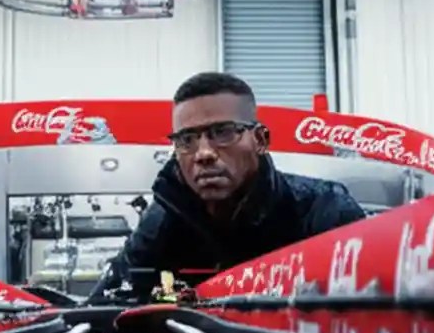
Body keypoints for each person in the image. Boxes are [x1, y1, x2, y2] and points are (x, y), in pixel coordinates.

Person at [88, 72, 367, 303]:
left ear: (260, 139)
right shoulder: (163, 218)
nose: (203, 153)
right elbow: (107, 305)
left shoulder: (324, 211)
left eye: (222, 132)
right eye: (187, 139)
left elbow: (368, 315)